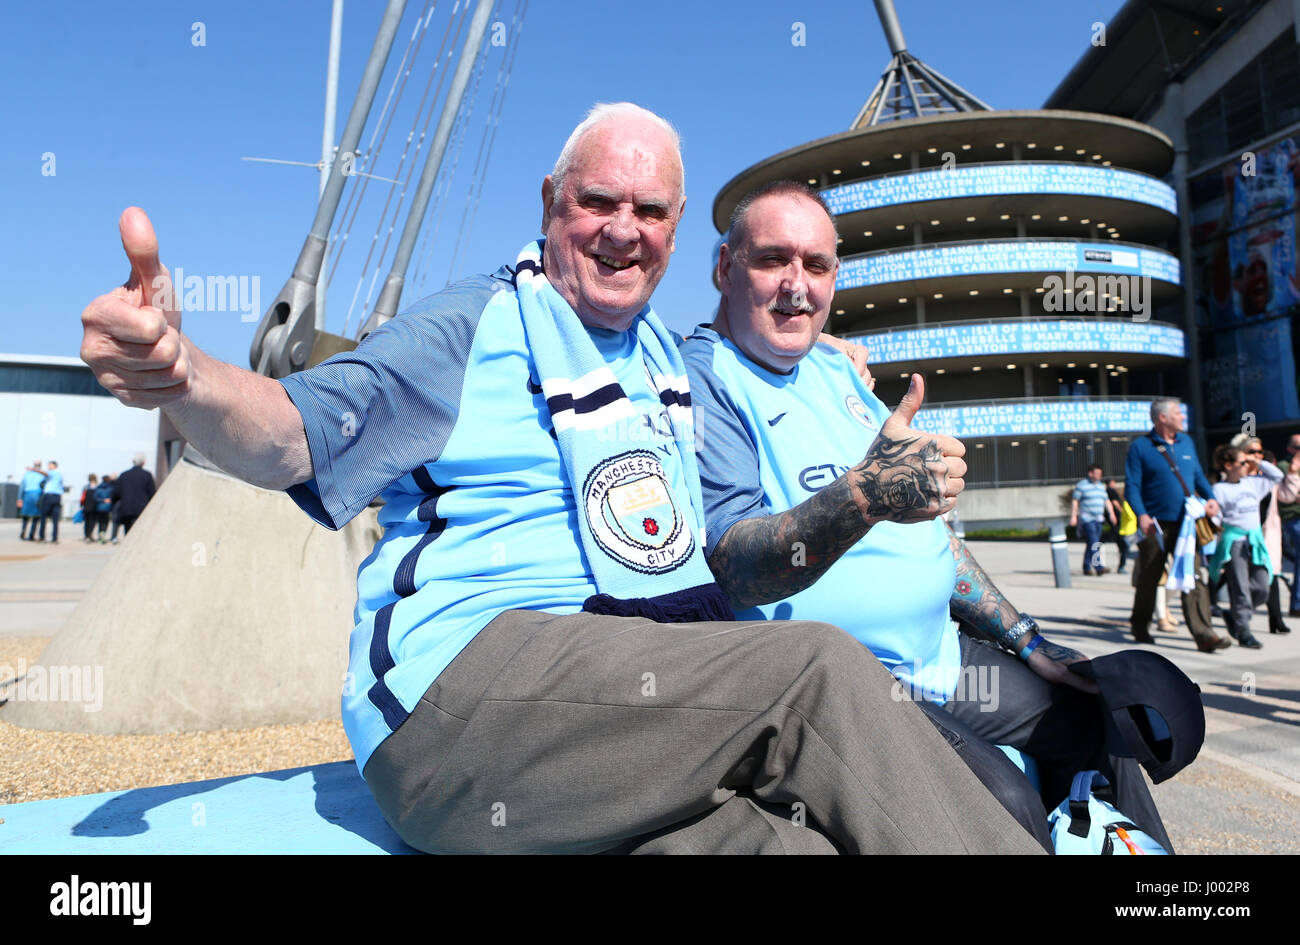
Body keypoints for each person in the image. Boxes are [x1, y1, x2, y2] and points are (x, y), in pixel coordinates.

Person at [78, 104, 1043, 855]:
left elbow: (761, 349)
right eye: (598, 202)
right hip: (466, 703)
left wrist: (833, 363)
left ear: (674, 233)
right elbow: (291, 433)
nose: (623, 229)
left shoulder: (668, 358)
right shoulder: (473, 326)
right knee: (817, 668)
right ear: (550, 203)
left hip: (607, 714)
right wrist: (185, 376)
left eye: (650, 209)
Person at [680, 180, 1172, 851]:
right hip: (854, 691)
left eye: (816, 265)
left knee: (1098, 716)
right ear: (724, 268)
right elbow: (735, 565)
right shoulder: (704, 375)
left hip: (944, 659)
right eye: (772, 259)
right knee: (1000, 803)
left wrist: (1030, 640)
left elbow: (934, 541)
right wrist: (864, 497)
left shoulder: (836, 368)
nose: (797, 284)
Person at [1123, 398, 1230, 650]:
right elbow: (1132, 486)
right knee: (1150, 577)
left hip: (1186, 524)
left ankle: (1205, 635)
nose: (1183, 417)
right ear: (1162, 417)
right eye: (1178, 413)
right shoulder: (1141, 447)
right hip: (1155, 526)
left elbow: (1198, 476)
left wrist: (1211, 499)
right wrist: (1142, 515)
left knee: (1193, 577)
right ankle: (1140, 625)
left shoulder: (1187, 442)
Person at [1208, 443, 1283, 649]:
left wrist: (1256, 461)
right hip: (1234, 542)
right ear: (1228, 465)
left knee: (1262, 586)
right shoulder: (1219, 489)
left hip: (1255, 541)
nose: (1245, 466)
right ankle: (1244, 632)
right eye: (1242, 462)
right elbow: (1216, 517)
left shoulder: (1252, 483)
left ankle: (1235, 615)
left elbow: (1277, 476)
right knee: (1240, 588)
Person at [1070, 464, 1116, 575]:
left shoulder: (1100, 486)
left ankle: (1086, 566)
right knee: (1095, 542)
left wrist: (1112, 514)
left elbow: (1107, 501)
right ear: (1090, 473)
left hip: (1099, 519)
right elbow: (1075, 501)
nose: (1100, 475)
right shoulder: (1082, 485)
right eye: (1097, 473)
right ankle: (1098, 566)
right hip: (1087, 518)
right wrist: (1073, 516)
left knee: (1091, 542)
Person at [110, 454, 156, 538]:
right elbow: (152, 494)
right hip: (142, 510)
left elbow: (116, 493)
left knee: (128, 534)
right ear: (144, 463)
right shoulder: (147, 475)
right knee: (140, 534)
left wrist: (114, 506)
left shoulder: (124, 475)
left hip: (126, 509)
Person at [1280, 433, 1300, 618]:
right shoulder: (1284, 467)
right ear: (1290, 449)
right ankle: (1296, 604)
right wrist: (1293, 471)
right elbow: (1286, 496)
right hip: (1293, 517)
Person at [1106, 478, 1136, 575]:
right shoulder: (1127, 504)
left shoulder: (1128, 504)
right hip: (1127, 532)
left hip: (1130, 531)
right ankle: (1121, 567)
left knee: (1125, 550)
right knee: (1125, 550)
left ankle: (1122, 566)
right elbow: (1131, 517)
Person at [37, 461, 65, 544]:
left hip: (50, 496)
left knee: (44, 517)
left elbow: (44, 473)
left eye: (50, 465)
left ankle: (43, 537)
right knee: (54, 519)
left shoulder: (54, 473)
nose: (48, 466)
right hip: (56, 497)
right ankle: (54, 538)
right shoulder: (55, 475)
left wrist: (34, 469)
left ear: (55, 466)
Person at [18, 462, 45, 541]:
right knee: (36, 517)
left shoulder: (27, 475)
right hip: (37, 495)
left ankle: (23, 531)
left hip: (27, 495)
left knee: (25, 515)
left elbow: (22, 487)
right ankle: (31, 535)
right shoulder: (43, 475)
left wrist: (19, 498)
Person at [93, 474, 115, 543]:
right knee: (106, 522)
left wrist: (102, 500)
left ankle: (101, 536)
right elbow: (113, 496)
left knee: (100, 522)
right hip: (108, 507)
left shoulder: (98, 488)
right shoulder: (110, 488)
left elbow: (95, 498)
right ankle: (103, 535)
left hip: (99, 507)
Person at [80, 473, 100, 542]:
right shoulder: (98, 487)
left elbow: (82, 498)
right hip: (94, 507)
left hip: (86, 506)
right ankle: (90, 535)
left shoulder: (86, 487)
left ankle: (86, 535)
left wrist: (81, 506)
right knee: (93, 521)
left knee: (87, 522)